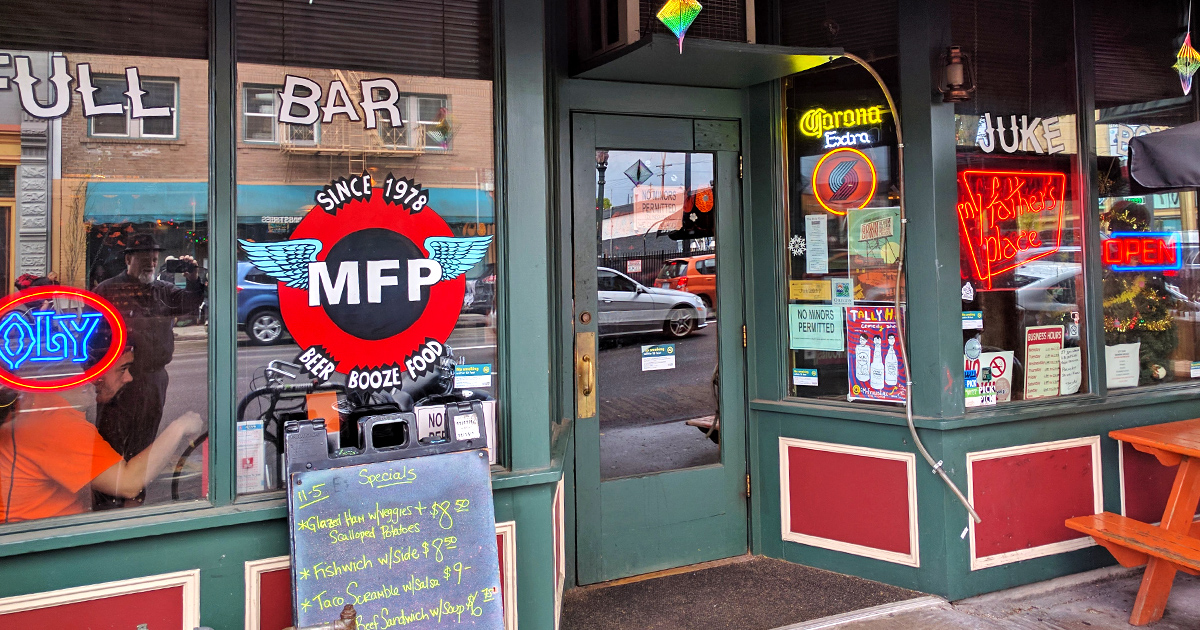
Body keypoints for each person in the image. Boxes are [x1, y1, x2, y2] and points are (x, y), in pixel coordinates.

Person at [0, 341, 205, 523]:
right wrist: (181, 426)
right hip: (47, 542)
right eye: (122, 369)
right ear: (94, 376)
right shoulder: (58, 425)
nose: (129, 378)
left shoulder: (44, 405)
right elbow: (128, 483)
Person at [93, 234, 206, 469]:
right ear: (128, 259)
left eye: (154, 259)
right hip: (120, 380)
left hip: (154, 380)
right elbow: (91, 341)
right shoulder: (107, 291)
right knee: (109, 449)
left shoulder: (164, 290)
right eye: (145, 258)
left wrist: (193, 279)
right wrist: (102, 379)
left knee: (144, 445)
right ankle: (107, 501)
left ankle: (135, 498)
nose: (151, 264)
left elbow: (191, 304)